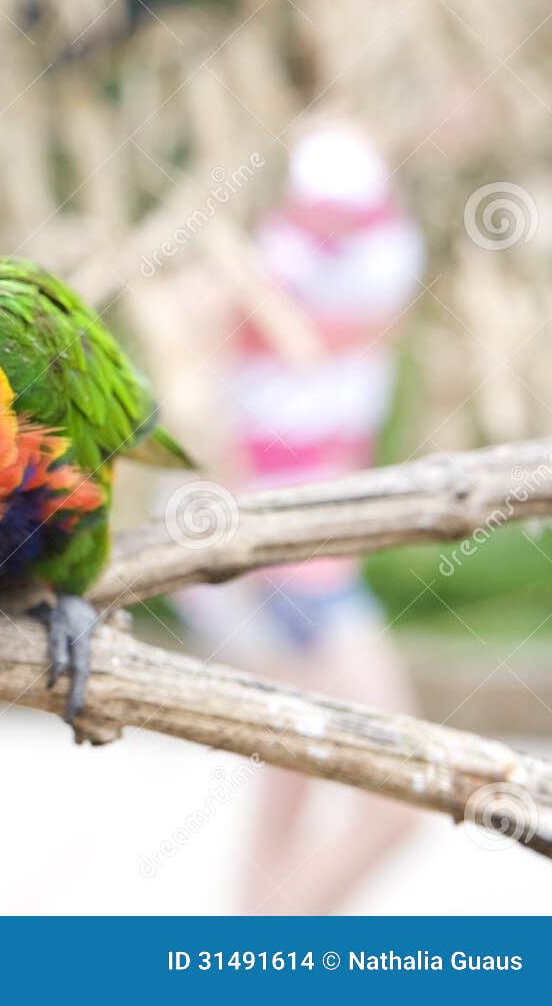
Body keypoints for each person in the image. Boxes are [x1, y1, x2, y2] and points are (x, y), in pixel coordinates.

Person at [175, 122, 425, 913]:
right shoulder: (245, 303)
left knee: (290, 775)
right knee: (402, 791)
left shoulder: (356, 300)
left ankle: (260, 951)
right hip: (284, 566)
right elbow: (213, 439)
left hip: (294, 561)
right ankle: (268, 952)